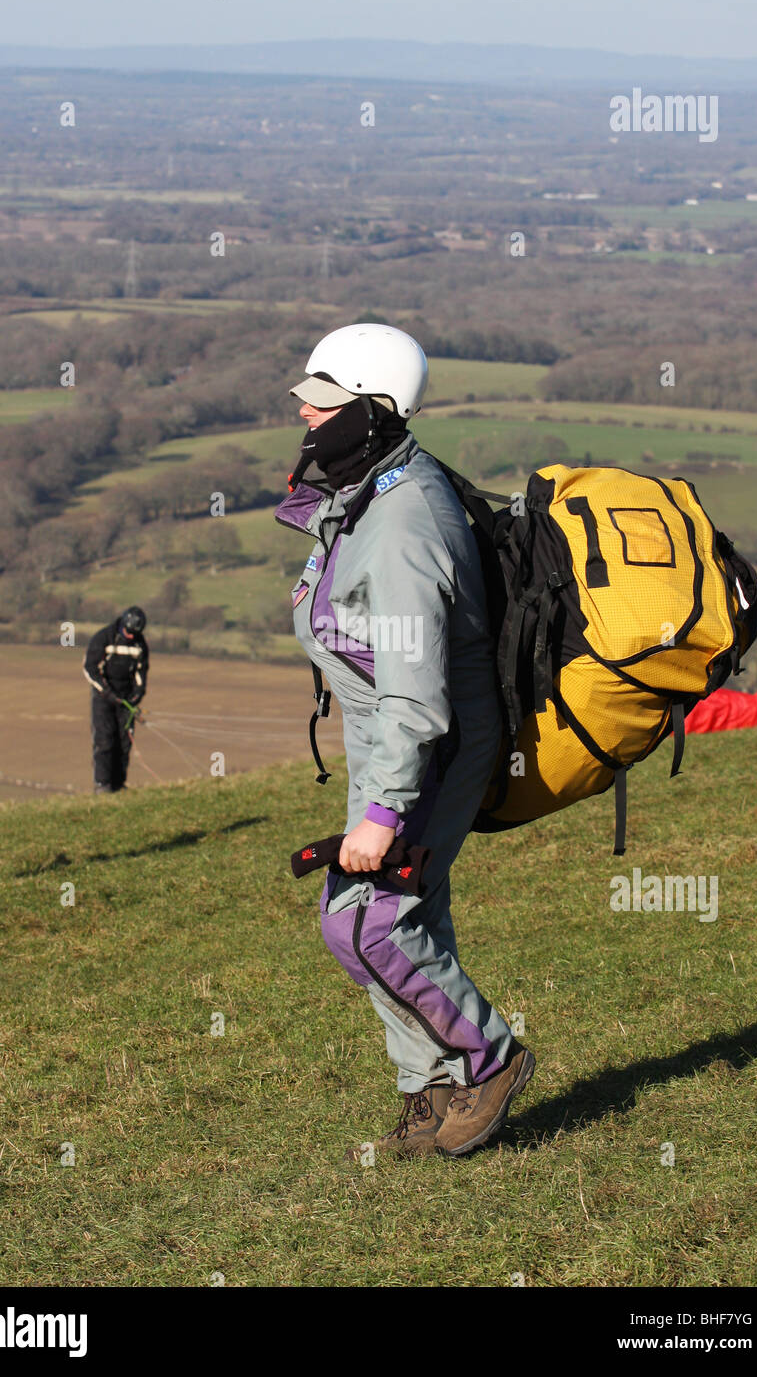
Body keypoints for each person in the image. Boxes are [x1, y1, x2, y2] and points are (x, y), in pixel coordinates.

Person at [274, 323, 535, 1159]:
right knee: (402, 916)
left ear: (372, 408)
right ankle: (433, 1094)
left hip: (424, 747)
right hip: (390, 745)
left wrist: (383, 811)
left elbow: (416, 691)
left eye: (322, 403)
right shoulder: (370, 489)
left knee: (365, 925)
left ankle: (486, 1059)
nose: (307, 418)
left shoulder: (403, 523)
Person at [83, 606, 149, 795]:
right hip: (103, 697)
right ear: (123, 625)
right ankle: (102, 785)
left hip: (126, 697)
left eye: (134, 634)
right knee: (104, 740)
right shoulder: (103, 637)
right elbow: (90, 668)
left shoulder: (139, 644)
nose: (130, 637)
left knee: (124, 742)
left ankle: (119, 785)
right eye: (128, 633)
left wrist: (137, 695)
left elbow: (141, 672)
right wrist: (106, 692)